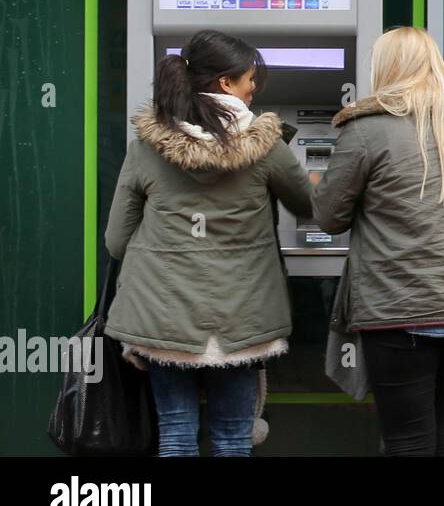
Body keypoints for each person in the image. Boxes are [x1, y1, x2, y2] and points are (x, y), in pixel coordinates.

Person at [105, 29, 313, 457]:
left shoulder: (147, 148)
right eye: (249, 79)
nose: (254, 89)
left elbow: (116, 241)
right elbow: (310, 207)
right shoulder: (267, 146)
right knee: (234, 436)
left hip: (163, 315)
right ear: (225, 83)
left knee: (177, 434)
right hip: (241, 314)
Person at [313, 27, 444, 457]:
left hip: (400, 307)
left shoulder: (365, 129)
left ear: (384, 69)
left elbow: (328, 217)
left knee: (408, 442)